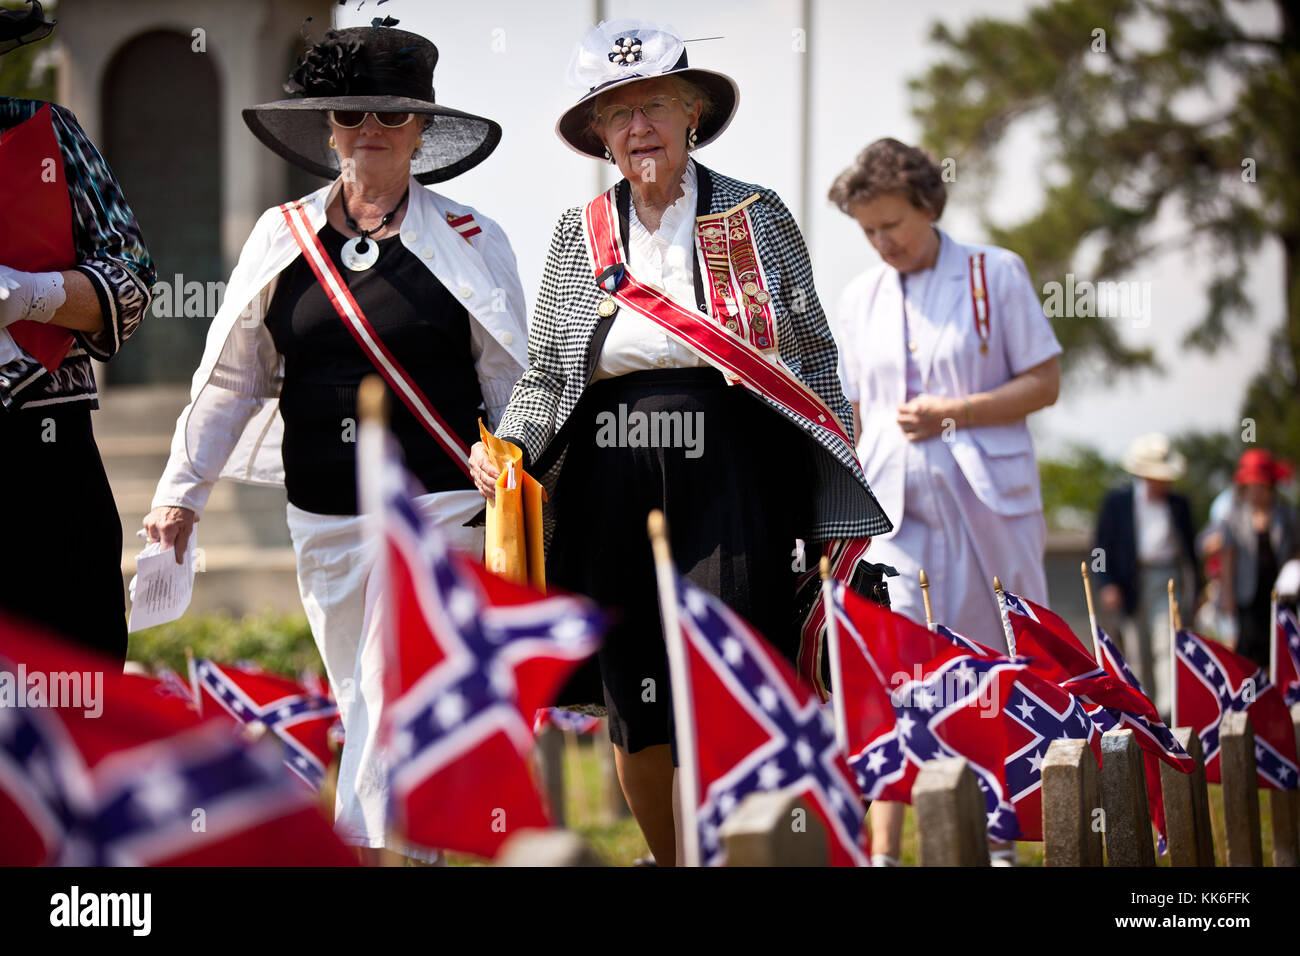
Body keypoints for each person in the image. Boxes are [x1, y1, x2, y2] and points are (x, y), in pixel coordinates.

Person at [470, 19, 891, 866]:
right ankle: (671, 861)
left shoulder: (756, 212)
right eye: (616, 114)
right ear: (598, 136)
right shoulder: (575, 233)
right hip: (611, 470)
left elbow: (810, 357)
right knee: (636, 684)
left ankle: (741, 852)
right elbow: (550, 373)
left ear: (693, 112)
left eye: (655, 105)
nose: (638, 128)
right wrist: (506, 447)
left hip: (734, 463)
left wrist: (831, 495)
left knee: (734, 664)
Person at [143, 24, 529, 860]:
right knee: (369, 695)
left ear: (423, 129)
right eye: (351, 113)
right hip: (320, 517)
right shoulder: (280, 235)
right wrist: (181, 494)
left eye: (393, 117)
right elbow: (233, 378)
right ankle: (410, 846)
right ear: (326, 127)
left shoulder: (473, 238)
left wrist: (517, 471)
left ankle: (360, 850)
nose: (370, 131)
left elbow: (509, 380)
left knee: (394, 688)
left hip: (438, 505)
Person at [828, 137, 1061, 866]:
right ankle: (895, 844)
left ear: (929, 206)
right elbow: (857, 412)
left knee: (996, 657)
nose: (881, 242)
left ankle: (1001, 837)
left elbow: (1043, 383)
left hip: (989, 505)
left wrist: (957, 410)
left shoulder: (996, 273)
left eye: (891, 224)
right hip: (894, 513)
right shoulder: (859, 296)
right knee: (904, 665)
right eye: (867, 230)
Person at [0, 1, 156, 661]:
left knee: (76, 681)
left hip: (46, 454)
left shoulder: (46, 132)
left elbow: (134, 278)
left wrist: (28, 295)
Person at [1093, 433, 1200, 717]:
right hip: (1131, 582)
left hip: (1168, 579)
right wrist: (1107, 584)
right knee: (1136, 649)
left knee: (1166, 643)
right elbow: (1100, 547)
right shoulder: (1117, 503)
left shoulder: (1179, 505)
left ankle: (1170, 712)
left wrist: (1196, 591)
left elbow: (1191, 551)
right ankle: (1144, 712)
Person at [1208, 449, 1298, 668]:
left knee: (1281, 655)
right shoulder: (1233, 517)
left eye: (1260, 486)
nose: (1256, 493)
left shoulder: (1287, 515)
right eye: (1251, 487)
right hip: (1247, 598)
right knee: (1248, 658)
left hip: (1281, 599)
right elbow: (1228, 558)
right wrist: (1228, 596)